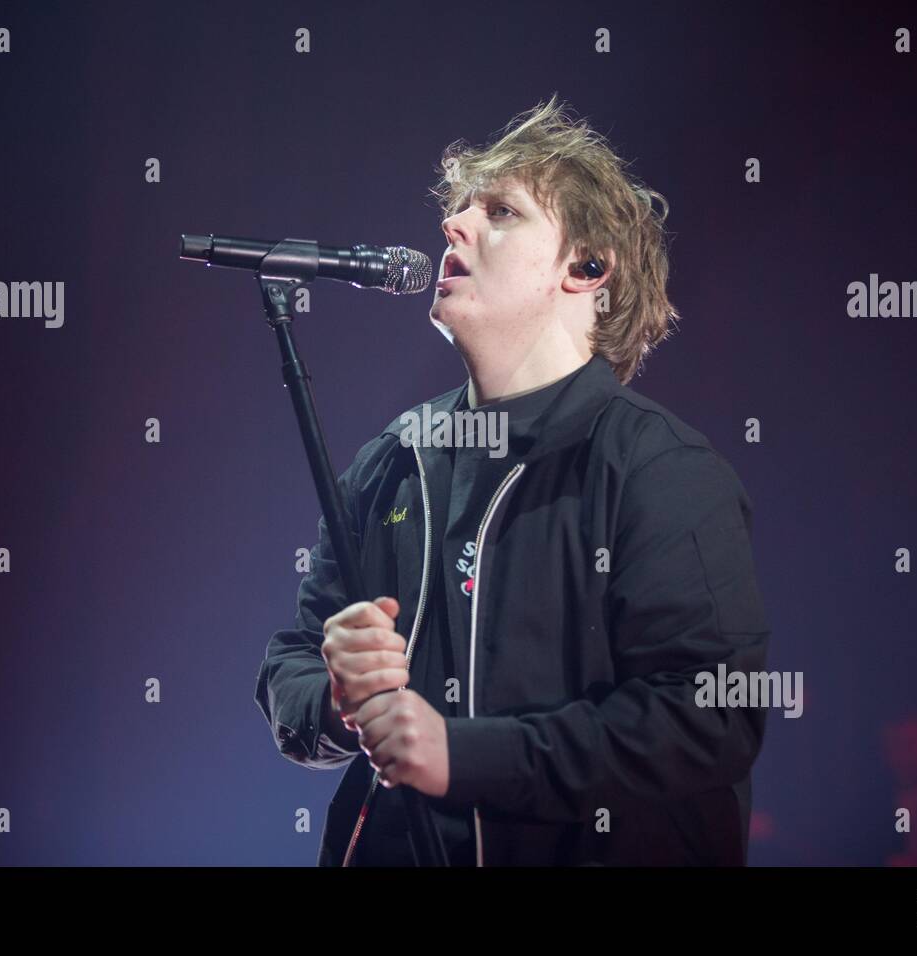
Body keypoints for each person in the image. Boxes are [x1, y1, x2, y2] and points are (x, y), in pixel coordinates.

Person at [254, 94, 771, 866]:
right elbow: (290, 661)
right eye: (458, 210)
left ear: (586, 267)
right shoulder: (395, 459)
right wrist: (335, 697)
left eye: (499, 211)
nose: (453, 226)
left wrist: (464, 756)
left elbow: (710, 717)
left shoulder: (658, 467)